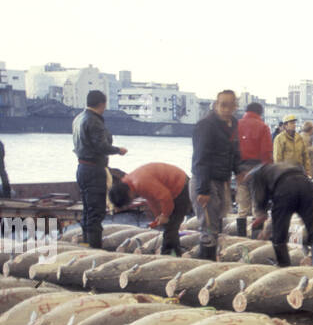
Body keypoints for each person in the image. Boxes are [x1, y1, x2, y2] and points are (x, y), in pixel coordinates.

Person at [242, 161, 313, 268]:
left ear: (245, 173)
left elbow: (260, 200)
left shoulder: (255, 175)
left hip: (285, 187)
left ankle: (284, 265)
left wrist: (264, 228)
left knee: (279, 234)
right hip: (306, 185)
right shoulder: (273, 167)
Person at [71, 90, 128, 248]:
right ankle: (94, 249)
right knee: (96, 212)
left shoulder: (78, 118)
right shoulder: (94, 121)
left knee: (88, 210)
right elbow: (101, 146)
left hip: (82, 168)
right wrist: (118, 150)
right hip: (94, 170)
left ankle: (85, 245)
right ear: (102, 104)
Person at [190, 89, 241, 259]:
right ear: (215, 105)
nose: (226, 109)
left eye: (230, 105)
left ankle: (210, 258)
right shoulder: (206, 125)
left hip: (222, 180)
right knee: (208, 227)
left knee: (218, 223)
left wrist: (238, 171)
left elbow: (233, 151)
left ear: (235, 106)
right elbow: (201, 157)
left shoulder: (233, 124)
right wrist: (202, 190)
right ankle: (206, 263)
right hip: (206, 180)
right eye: (222, 105)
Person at [108, 163, 191, 255]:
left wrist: (165, 215)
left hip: (180, 185)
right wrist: (157, 217)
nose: (132, 200)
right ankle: (174, 251)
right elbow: (151, 199)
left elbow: (165, 197)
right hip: (167, 187)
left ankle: (170, 253)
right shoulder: (129, 182)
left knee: (171, 225)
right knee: (168, 227)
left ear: (128, 194)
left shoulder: (141, 182)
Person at [236, 102, 272, 237]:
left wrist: (236, 170)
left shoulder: (237, 125)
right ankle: (255, 240)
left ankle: (239, 238)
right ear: (260, 113)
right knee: (257, 208)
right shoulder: (263, 127)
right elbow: (266, 152)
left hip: (240, 170)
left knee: (242, 207)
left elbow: (232, 149)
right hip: (257, 170)